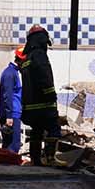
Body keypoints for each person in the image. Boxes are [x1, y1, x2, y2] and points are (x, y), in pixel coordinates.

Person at [21, 24, 61, 165]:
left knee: (36, 131)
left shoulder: (27, 58)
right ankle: (50, 158)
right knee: (54, 129)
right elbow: (45, 76)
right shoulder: (39, 55)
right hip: (44, 104)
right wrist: (51, 95)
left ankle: (35, 160)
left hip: (30, 107)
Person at [0, 47, 24, 153]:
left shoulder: (14, 72)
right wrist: (9, 116)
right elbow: (7, 96)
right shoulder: (10, 74)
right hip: (11, 115)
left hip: (14, 113)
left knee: (12, 145)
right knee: (12, 146)